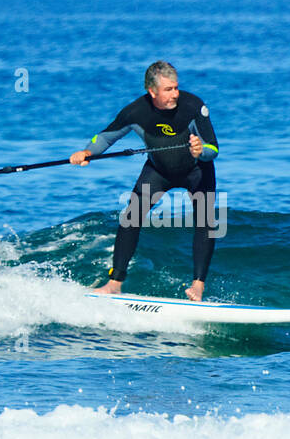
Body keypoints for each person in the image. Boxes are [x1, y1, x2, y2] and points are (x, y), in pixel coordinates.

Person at [70, 61, 220, 301]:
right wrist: (87, 152)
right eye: (168, 89)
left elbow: (213, 147)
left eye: (176, 87)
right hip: (159, 171)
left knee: (205, 221)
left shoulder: (193, 106)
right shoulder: (135, 112)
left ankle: (198, 286)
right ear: (152, 91)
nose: (175, 94)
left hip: (197, 171)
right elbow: (106, 136)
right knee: (130, 217)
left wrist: (201, 150)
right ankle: (115, 283)